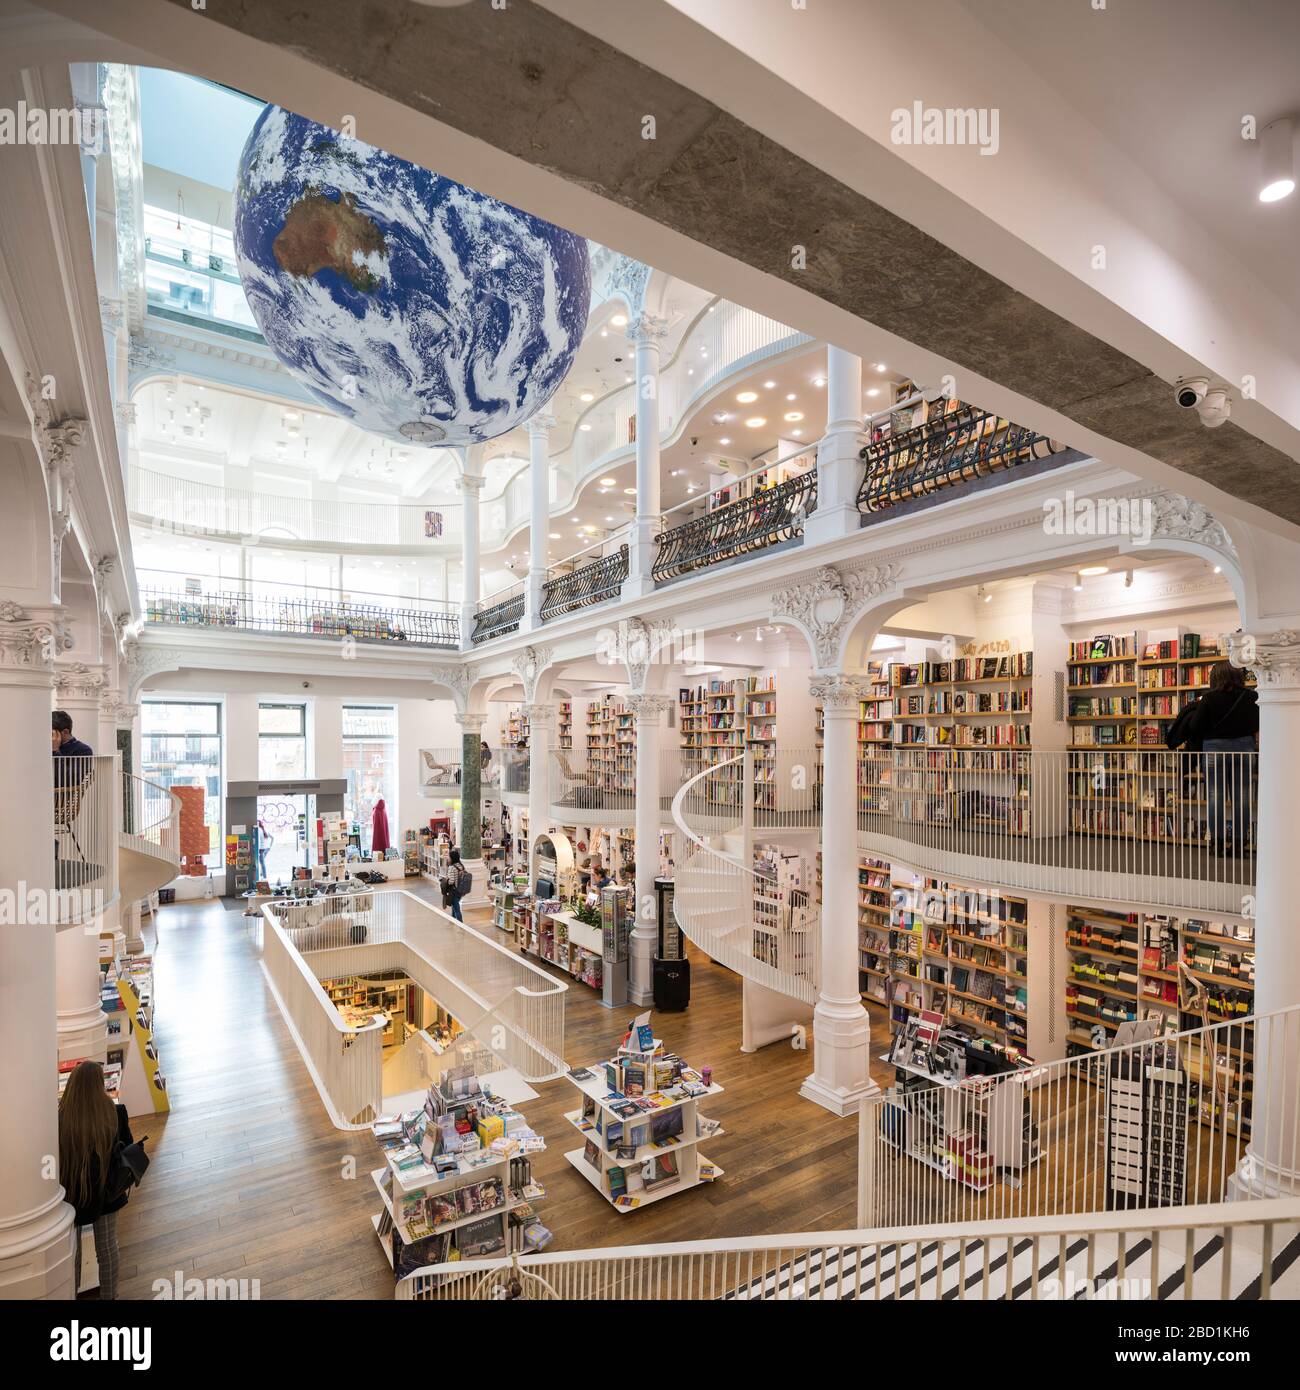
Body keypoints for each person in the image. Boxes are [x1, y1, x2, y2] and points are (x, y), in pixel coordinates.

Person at [58, 1060, 137, 1300]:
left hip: (73, 1194)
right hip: (107, 1192)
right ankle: (109, 1295)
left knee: (73, 1250)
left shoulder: (61, 1119)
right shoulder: (116, 1112)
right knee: (107, 1247)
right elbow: (128, 1149)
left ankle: (71, 1292)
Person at [1166, 661, 1259, 855]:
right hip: (1244, 747)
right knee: (1241, 796)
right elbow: (1257, 723)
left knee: (1215, 796)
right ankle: (1240, 844)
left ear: (1214, 677)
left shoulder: (1209, 699)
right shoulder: (1252, 697)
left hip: (1214, 749)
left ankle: (1216, 843)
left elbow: (1195, 727)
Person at [52, 710, 93, 787]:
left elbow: (69, 781)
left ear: (65, 732)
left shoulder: (83, 750)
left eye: (51, 733)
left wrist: (55, 751)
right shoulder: (44, 748)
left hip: (58, 795)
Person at [445, 847, 471, 921]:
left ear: (452, 858)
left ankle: (460, 924)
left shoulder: (452, 867)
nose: (447, 858)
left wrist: (446, 880)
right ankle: (453, 921)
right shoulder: (461, 866)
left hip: (454, 890)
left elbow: (451, 881)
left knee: (456, 909)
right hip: (461, 890)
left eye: (449, 857)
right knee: (454, 906)